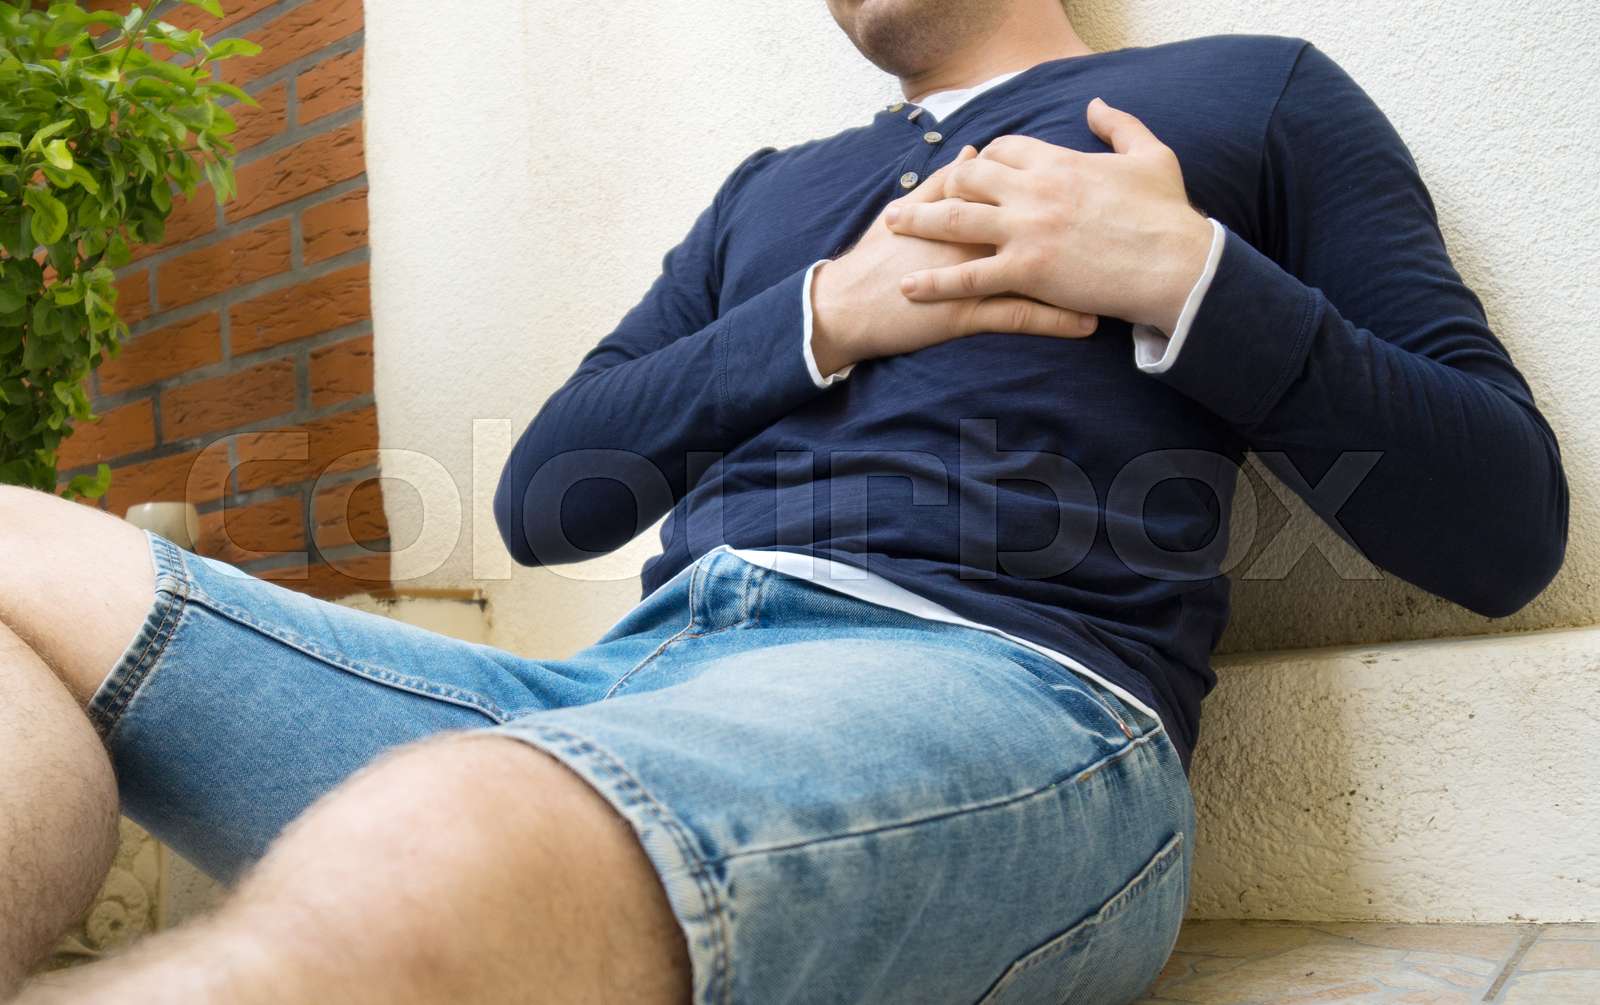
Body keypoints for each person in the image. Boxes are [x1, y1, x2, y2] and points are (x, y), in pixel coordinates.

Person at [0, 1, 1567, 1002]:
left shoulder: (1249, 93)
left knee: (456, 826)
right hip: (623, 685)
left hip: (997, 704)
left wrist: (1191, 281)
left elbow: (1505, 524)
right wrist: (827, 307)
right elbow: (551, 491)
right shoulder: (770, 192)